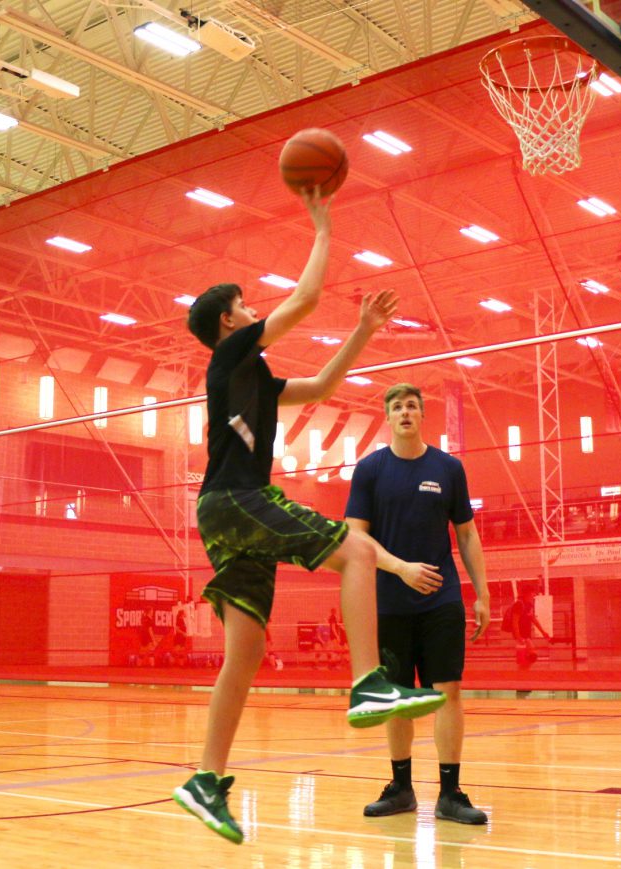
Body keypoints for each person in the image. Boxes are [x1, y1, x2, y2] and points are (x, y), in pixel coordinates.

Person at [172, 192, 447, 845]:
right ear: (228, 321)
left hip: (222, 509)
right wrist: (322, 227)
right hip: (237, 497)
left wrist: (364, 330)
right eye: (244, 304)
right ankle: (369, 684)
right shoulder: (229, 355)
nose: (252, 309)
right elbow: (305, 299)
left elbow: (320, 387)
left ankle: (205, 779)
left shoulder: (254, 377)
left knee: (245, 651)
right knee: (358, 549)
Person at [346, 383, 492, 826]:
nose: (405, 412)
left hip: (441, 600)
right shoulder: (370, 470)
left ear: (422, 415)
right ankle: (401, 789)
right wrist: (400, 568)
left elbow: (466, 533)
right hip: (388, 601)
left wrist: (482, 592)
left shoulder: (448, 468)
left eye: (412, 406)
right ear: (388, 417)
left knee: (447, 691)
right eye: (397, 407)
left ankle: (450, 794)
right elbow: (355, 536)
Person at [512, 585, 550, 670]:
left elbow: (533, 619)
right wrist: (518, 636)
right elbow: (515, 622)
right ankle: (522, 673)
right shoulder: (518, 604)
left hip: (526, 635)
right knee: (530, 655)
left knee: (526, 659)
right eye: (533, 593)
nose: (534, 595)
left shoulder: (529, 605)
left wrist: (543, 632)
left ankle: (523, 673)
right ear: (527, 593)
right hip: (521, 636)